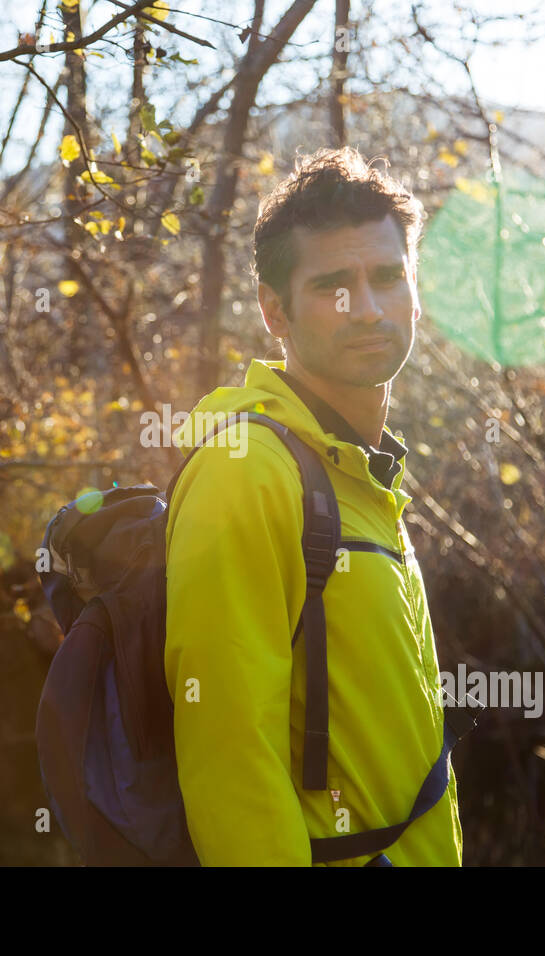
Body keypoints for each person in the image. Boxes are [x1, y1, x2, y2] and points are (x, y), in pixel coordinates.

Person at [163, 146, 461, 866]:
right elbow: (230, 755)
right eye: (333, 286)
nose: (367, 308)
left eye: (388, 277)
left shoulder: (364, 474)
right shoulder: (249, 474)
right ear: (276, 311)